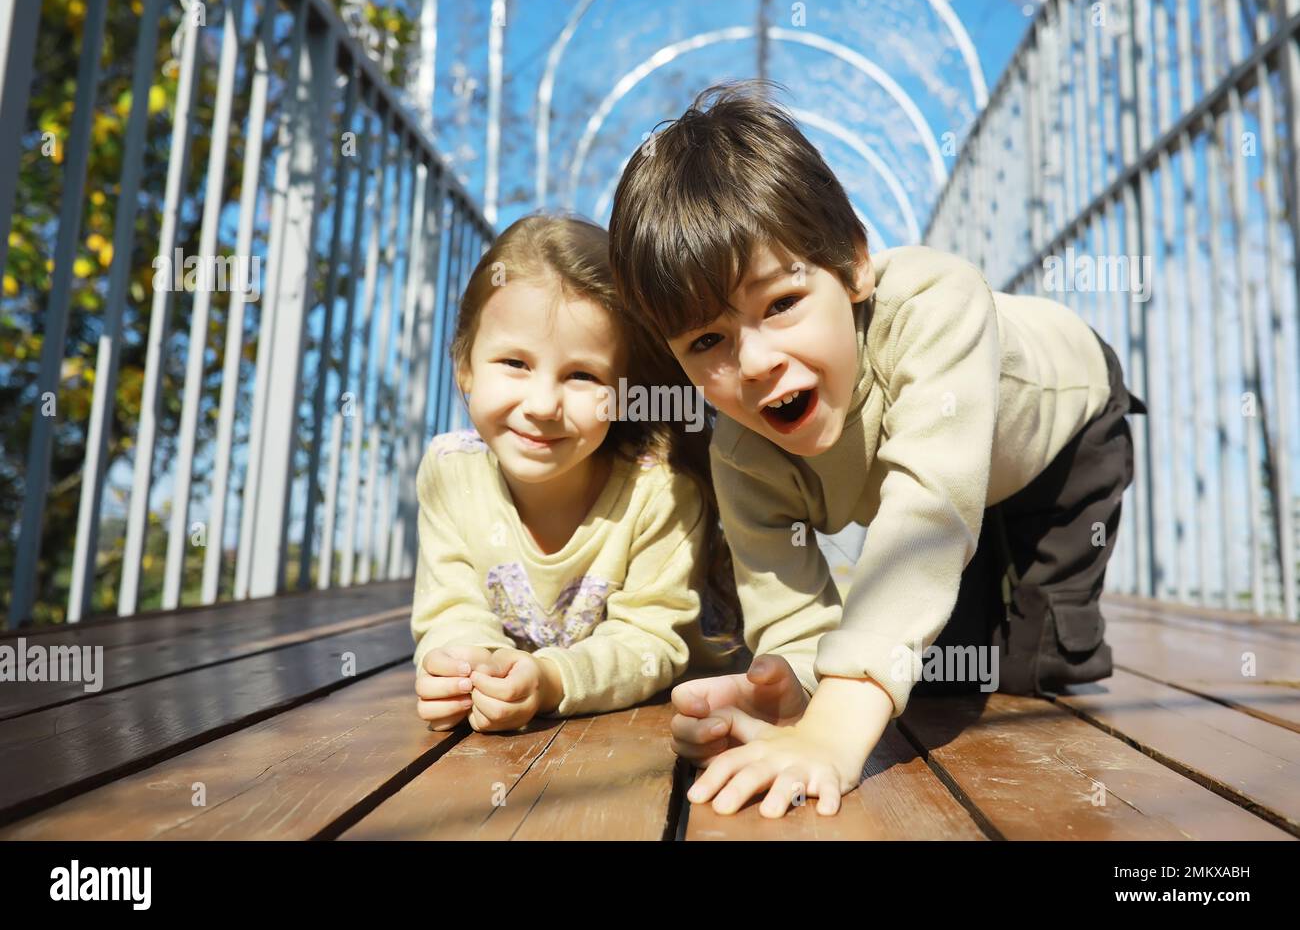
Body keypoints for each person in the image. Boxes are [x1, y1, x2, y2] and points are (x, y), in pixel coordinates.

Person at [607, 81, 1146, 817]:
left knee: (1034, 665)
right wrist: (790, 687)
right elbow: (789, 607)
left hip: (1065, 432)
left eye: (783, 303)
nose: (757, 361)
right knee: (939, 678)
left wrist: (835, 729)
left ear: (855, 265)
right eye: (708, 341)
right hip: (964, 488)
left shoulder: (934, 305)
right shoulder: (741, 443)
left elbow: (927, 512)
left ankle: (1048, 631)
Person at [412, 214, 743, 733]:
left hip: (673, 736)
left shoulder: (660, 491)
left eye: (582, 375)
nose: (543, 405)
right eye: (515, 363)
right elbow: (451, 607)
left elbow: (649, 640)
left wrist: (548, 680)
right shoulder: (450, 473)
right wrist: (464, 670)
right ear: (465, 365)